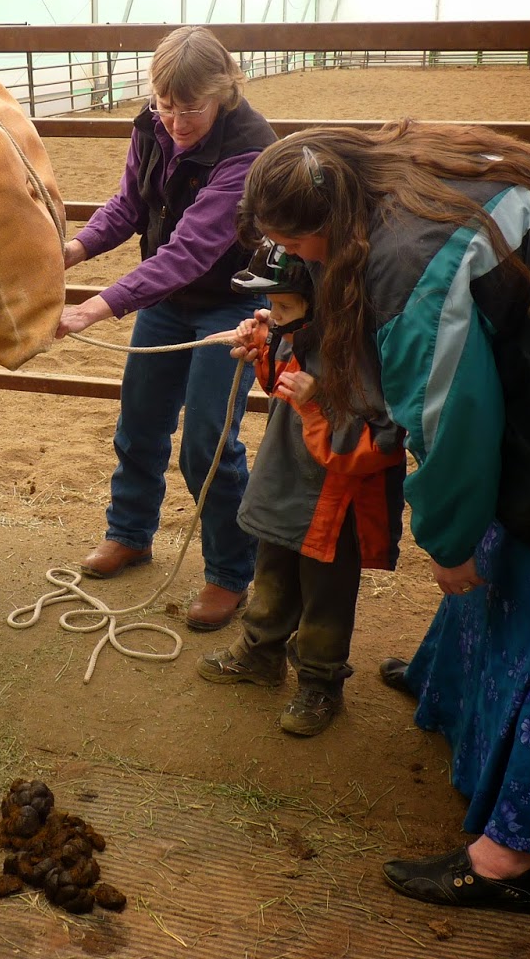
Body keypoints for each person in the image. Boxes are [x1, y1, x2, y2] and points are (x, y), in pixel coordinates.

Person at [237, 120, 530, 910]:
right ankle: (451, 692)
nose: (305, 264)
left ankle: (509, 856)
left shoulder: (406, 261)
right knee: (507, 546)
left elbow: (447, 420)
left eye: (297, 245)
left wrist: (445, 543)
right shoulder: (401, 169)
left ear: (323, 224)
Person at [56, 26, 277, 630]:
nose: (176, 121)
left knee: (209, 441)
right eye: (164, 105)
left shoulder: (249, 150)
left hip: (230, 303)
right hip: (165, 296)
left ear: (224, 92)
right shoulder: (150, 127)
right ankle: (129, 531)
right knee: (140, 419)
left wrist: (92, 308)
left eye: (191, 108)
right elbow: (128, 204)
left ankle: (229, 573)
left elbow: (189, 251)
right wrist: (71, 251)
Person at [196, 242, 405, 736]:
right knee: (272, 568)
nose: (275, 314)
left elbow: (379, 443)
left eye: (284, 306)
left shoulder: (360, 352)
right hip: (286, 480)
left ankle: (320, 680)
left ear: (323, 300)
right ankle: (261, 651)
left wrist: (317, 405)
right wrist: (263, 352)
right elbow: (280, 386)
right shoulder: (299, 330)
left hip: (335, 503)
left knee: (325, 596)